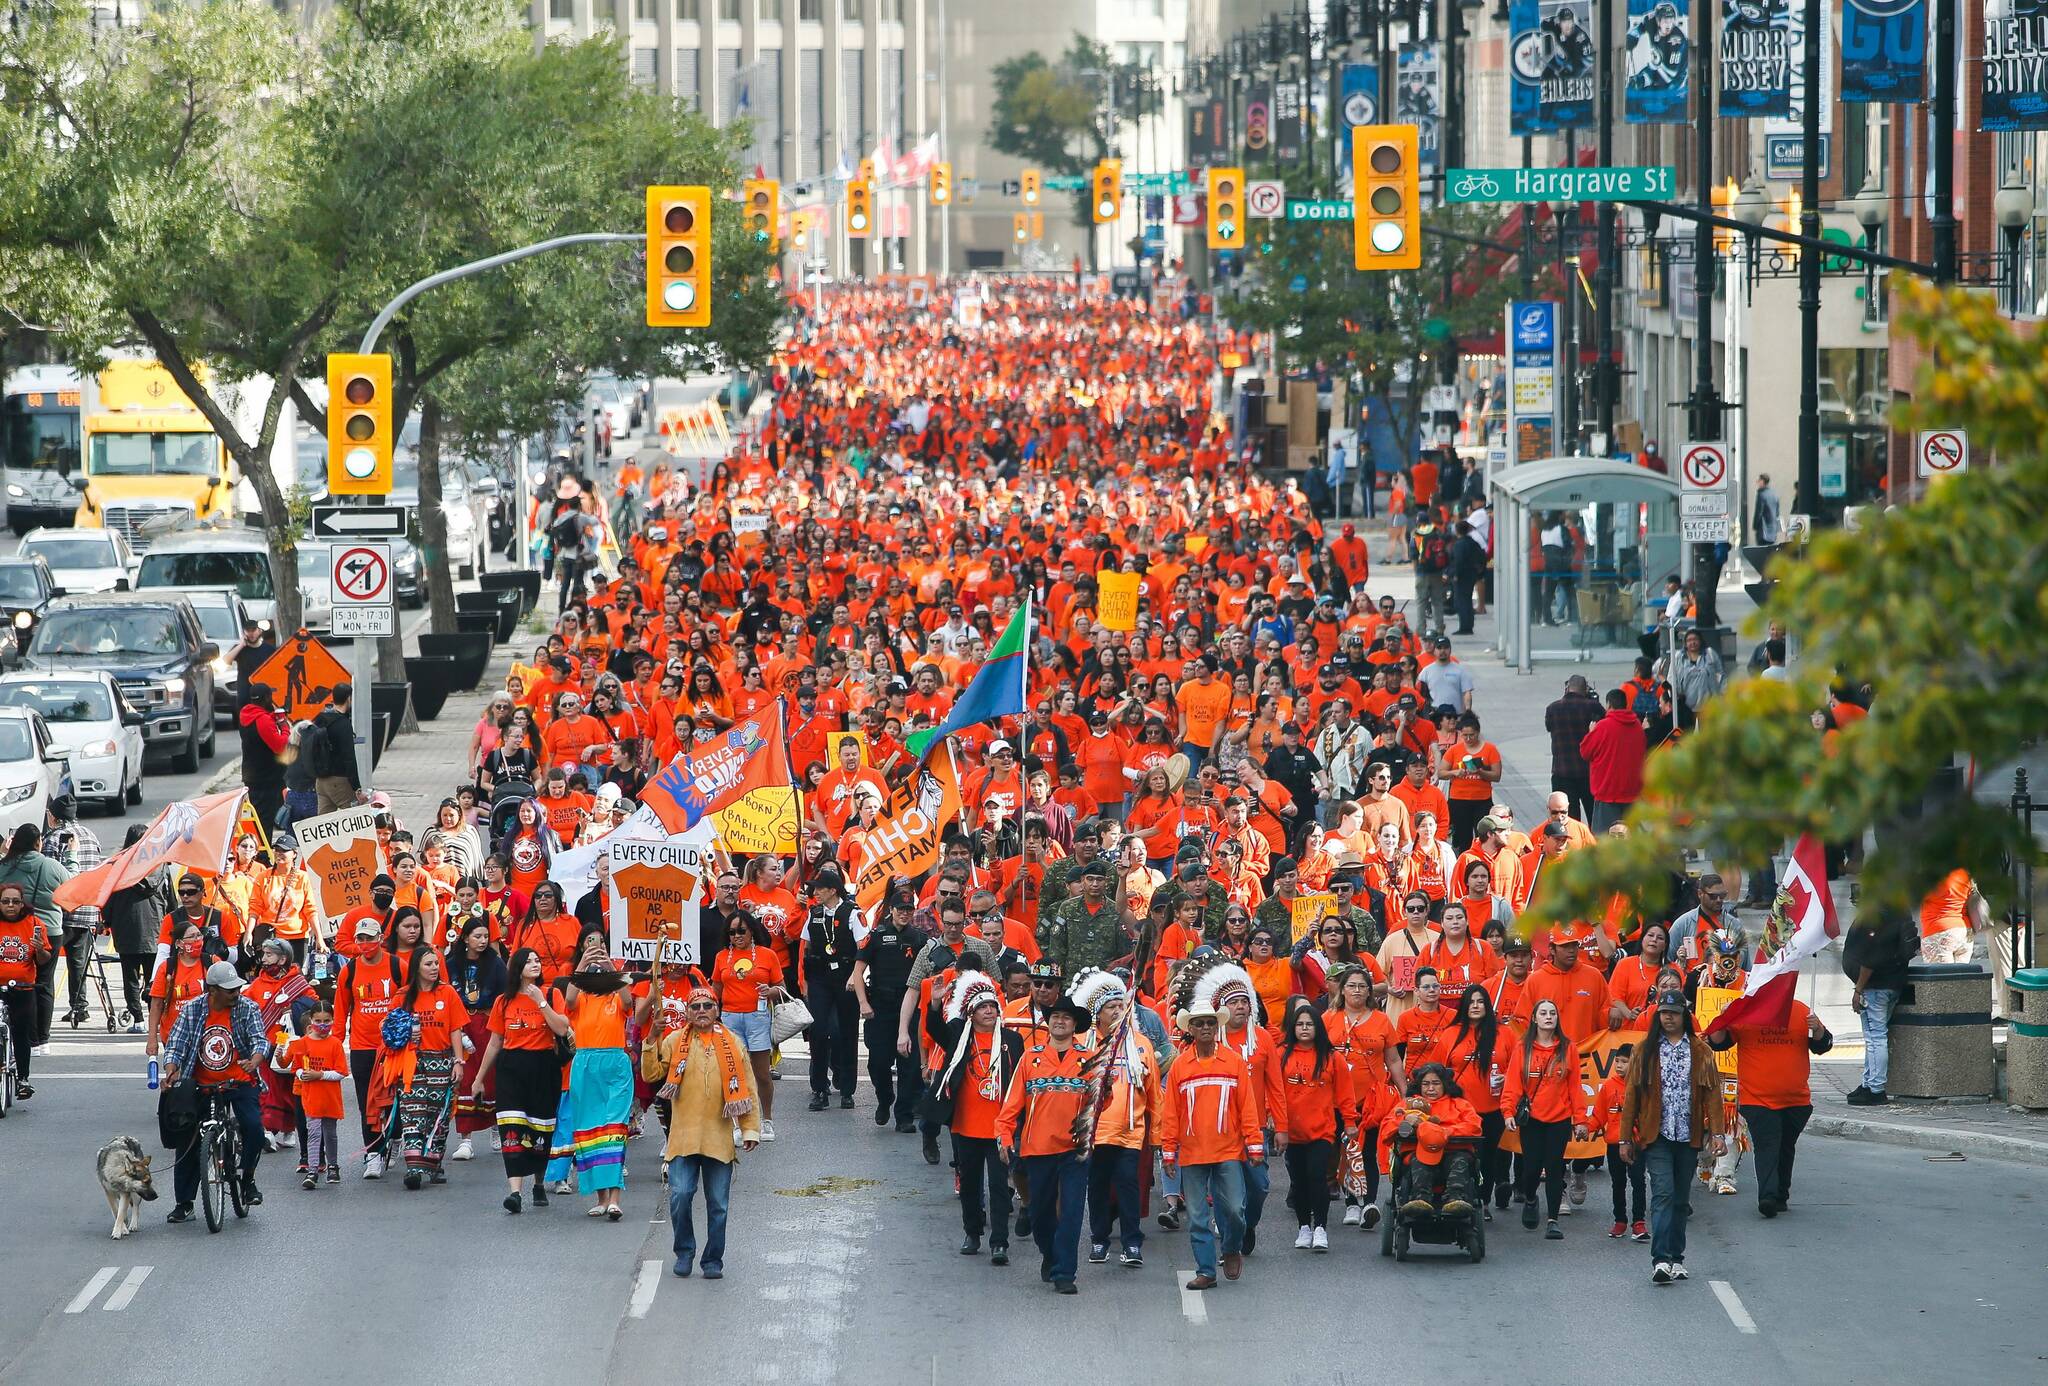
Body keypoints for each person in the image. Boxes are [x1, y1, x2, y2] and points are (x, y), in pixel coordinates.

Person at [649, 983, 764, 1279]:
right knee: (680, 1195)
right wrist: (651, 1037)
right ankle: (684, 1251)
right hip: (683, 1138)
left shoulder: (733, 1043)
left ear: (717, 1010)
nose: (702, 1011)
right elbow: (651, 1074)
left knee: (719, 1206)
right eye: (696, 1007)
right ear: (687, 1012)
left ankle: (713, 1260)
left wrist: (750, 1129)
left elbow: (748, 1087)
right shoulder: (674, 1040)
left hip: (718, 1140)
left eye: (707, 1006)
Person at [1619, 990, 1728, 1284]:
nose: (1668, 1017)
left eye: (1674, 1013)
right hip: (1657, 1136)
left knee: (1680, 1199)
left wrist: (1717, 1133)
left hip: (1688, 1136)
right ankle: (1661, 1260)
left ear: (1684, 1016)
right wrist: (1624, 1138)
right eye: (1663, 1013)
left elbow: (1713, 1094)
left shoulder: (1700, 1050)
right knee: (1663, 1194)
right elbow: (1631, 1096)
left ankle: (1677, 1258)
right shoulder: (1644, 1050)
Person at [995, 996, 1095, 1295]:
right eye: (1055, 1016)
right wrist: (1003, 1136)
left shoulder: (1089, 1059)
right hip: (1037, 1149)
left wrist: (1105, 1086)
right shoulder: (1031, 1058)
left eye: (1066, 1017)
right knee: (1039, 1213)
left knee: (1073, 1211)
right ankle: (1050, 1254)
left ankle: (1065, 1272)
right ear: (1048, 1022)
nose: (1060, 1021)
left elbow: (1101, 1105)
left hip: (1075, 1149)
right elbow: (1011, 1104)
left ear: (1075, 1024)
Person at [1161, 1001, 1263, 1290]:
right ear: (1190, 1028)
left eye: (1210, 1022)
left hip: (1229, 1150)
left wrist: (1254, 1144)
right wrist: (1168, 1151)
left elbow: (1247, 1107)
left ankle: (1231, 1247)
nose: (1205, 1027)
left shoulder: (1233, 1062)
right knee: (1196, 1217)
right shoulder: (1180, 1065)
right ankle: (1206, 1270)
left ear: (1217, 1026)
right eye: (1199, 1023)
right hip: (1192, 1154)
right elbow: (1171, 1113)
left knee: (1234, 1210)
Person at [924, 970, 1024, 1263]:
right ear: (971, 1012)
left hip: (998, 1128)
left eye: (992, 1005)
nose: (989, 1010)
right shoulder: (958, 1034)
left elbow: (1020, 1077)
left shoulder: (1011, 1040)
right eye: (982, 1007)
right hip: (965, 1126)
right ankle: (972, 1232)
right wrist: (934, 1005)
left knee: (999, 1187)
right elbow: (935, 1030)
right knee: (969, 1185)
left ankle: (1000, 1243)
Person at [160, 960, 271, 1222]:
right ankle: (184, 1203)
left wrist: (254, 1060)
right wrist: (171, 1070)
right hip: (200, 1084)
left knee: (254, 1126)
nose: (235, 994)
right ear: (212, 990)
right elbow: (176, 1044)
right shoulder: (192, 1009)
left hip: (240, 1081)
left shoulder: (247, 1007)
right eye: (229, 990)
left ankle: (247, 1178)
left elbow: (259, 1040)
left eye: (236, 989)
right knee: (189, 1138)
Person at [1706, 995, 1833, 1218]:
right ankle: (1768, 1196)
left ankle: (1781, 1194)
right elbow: (1718, 1042)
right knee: (1767, 1145)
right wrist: (1724, 1018)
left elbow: (1822, 1046)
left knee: (1785, 1146)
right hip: (1758, 1099)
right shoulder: (1747, 1011)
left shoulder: (1801, 1010)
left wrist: (1819, 1029)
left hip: (1796, 1100)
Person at [1071, 967, 1162, 1269]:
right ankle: (1099, 1240)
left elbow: (1153, 1094)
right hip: (1093, 1133)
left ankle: (1132, 1243)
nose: (1117, 1011)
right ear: (1097, 1013)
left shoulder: (1140, 1044)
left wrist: (1158, 1135)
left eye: (1121, 1006)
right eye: (1111, 1007)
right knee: (1096, 1186)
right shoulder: (1083, 1044)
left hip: (1130, 1132)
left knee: (1128, 1185)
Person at [470, 946, 573, 1213]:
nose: (535, 965)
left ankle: (539, 1182)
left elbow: (562, 1028)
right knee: (512, 1126)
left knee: (540, 1127)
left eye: (537, 960)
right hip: (512, 1067)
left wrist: (541, 1001)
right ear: (517, 968)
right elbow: (495, 1042)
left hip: (543, 1067)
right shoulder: (504, 1001)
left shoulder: (552, 994)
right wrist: (479, 1078)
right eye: (529, 962)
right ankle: (514, 1192)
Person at [555, 929, 637, 1219]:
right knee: (590, 1132)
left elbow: (629, 1002)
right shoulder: (581, 999)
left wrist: (611, 968)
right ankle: (602, 1198)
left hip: (615, 1063)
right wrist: (582, 964)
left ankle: (615, 1197)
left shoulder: (616, 996)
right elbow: (570, 1000)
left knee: (614, 1128)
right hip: (586, 1064)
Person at [1500, 998, 1590, 1241]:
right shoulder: (1523, 1048)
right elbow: (1513, 1084)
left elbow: (1575, 1088)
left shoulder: (1567, 1048)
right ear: (1534, 1018)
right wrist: (1508, 1112)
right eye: (1543, 1013)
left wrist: (1580, 1120)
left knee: (1554, 1168)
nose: (1549, 1017)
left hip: (1559, 1119)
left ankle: (1552, 1220)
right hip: (1533, 1120)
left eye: (1553, 1013)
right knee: (1530, 1169)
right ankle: (1530, 1198)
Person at [1274, 998, 1355, 1250]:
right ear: (1293, 1027)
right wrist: (1277, 1124)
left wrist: (1350, 1121)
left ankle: (1320, 1227)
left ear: (1318, 1027)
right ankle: (1303, 1228)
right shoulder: (1281, 1055)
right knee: (1298, 1181)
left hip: (1322, 1130)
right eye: (1300, 1024)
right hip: (1292, 1131)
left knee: (1317, 1176)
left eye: (1310, 1024)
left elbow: (1345, 1093)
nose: (1305, 1028)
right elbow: (1274, 1092)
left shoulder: (1332, 1058)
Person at [711, 911, 789, 1140]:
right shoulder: (721, 957)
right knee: (733, 1073)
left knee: (762, 1074)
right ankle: (736, 1124)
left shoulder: (768, 955)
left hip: (758, 1017)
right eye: (732, 932)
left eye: (741, 931)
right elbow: (716, 990)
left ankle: (767, 1121)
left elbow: (782, 988)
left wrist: (770, 991)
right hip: (730, 1018)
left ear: (752, 930)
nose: (737, 936)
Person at [0, 823, 69, 1051]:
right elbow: (72, 887)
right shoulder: (51, 866)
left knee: (18, 982)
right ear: (38, 842)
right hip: (48, 929)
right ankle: (43, 1040)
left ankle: (24, 1037)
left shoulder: (5, 866)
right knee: (45, 983)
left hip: (16, 929)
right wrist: (73, 855)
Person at [1382, 1062, 1482, 1217]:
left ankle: (1455, 1198)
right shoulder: (1407, 1105)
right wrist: (1405, 1120)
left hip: (1453, 1151)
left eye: (1436, 1083)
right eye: (1426, 1084)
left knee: (1460, 1160)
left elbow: (1474, 1126)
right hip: (1418, 1153)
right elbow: (1387, 1127)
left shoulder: (1460, 1104)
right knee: (1417, 1161)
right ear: (1419, 1086)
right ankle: (1420, 1199)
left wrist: (1445, 1132)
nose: (1430, 1088)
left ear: (1445, 1085)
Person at [801, 866, 861, 1112]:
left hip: (845, 976)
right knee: (818, 1031)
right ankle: (819, 1088)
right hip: (820, 977)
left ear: (832, 890)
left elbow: (863, 948)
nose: (815, 893)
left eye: (819, 888)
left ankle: (847, 1089)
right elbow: (805, 947)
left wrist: (856, 977)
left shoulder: (852, 913)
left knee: (846, 1032)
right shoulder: (813, 914)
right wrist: (804, 981)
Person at [1843, 911, 1918, 1106]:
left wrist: (1858, 989)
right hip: (1893, 983)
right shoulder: (1900, 914)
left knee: (1875, 1037)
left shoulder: (1877, 917)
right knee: (1875, 1035)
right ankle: (1868, 1083)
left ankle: (1875, 1089)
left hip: (1875, 987)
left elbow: (1871, 958)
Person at [280, 1000, 348, 1189]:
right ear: (311, 1021)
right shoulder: (303, 1042)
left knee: (330, 1133)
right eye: (318, 1021)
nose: (323, 1025)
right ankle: (312, 1169)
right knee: (314, 1133)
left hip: (330, 1097)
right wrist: (304, 1074)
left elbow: (341, 1072)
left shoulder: (335, 1044)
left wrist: (319, 1075)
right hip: (311, 1097)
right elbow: (297, 1068)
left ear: (333, 1020)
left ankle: (333, 1165)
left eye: (327, 1021)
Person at [0, 881, 53, 1098]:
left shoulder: (34, 923)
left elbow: (44, 959)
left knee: (21, 1033)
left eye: (15, 902)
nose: (10, 906)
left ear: (23, 904)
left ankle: (23, 1078)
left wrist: (40, 949)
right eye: (5, 901)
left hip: (23, 988)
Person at [1579, 689, 1646, 832]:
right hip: (1632, 793)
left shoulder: (1604, 727)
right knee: (1631, 838)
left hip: (1607, 794)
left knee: (1605, 839)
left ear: (1609, 705)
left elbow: (1585, 752)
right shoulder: (1637, 727)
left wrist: (1591, 732)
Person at [239, 684, 292, 833]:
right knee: (265, 820)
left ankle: (262, 851)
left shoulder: (245, 714)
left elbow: (259, 735)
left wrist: (271, 718)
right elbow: (280, 746)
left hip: (253, 775)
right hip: (266, 778)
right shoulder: (262, 720)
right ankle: (263, 854)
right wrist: (284, 725)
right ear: (267, 697)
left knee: (260, 817)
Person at [311, 684, 363, 813]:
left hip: (321, 781)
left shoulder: (320, 719)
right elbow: (349, 757)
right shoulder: (343, 724)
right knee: (355, 818)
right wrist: (356, 786)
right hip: (339, 781)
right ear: (348, 698)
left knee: (324, 823)